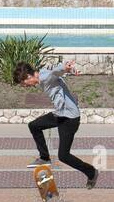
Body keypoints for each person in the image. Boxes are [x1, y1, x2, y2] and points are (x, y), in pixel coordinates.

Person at [16, 59, 99, 189]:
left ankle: (91, 172)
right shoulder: (42, 73)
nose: (25, 86)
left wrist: (64, 69)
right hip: (60, 114)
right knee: (34, 125)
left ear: (28, 76)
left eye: (24, 83)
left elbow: (55, 72)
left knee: (64, 156)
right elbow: (55, 70)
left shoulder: (45, 78)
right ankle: (44, 157)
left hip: (70, 118)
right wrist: (68, 69)